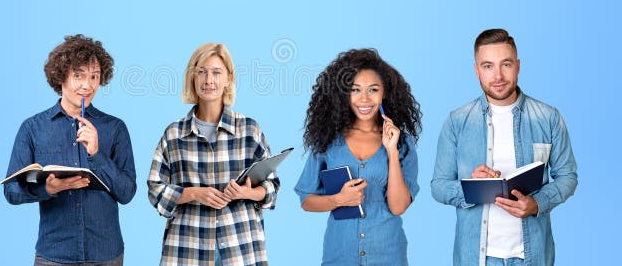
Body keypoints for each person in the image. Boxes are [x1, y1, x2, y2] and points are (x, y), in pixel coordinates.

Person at [431, 28, 578, 266]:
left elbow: (568, 176)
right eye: (488, 66)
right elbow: (438, 187)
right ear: (477, 70)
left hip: (532, 256)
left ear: (518, 66)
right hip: (477, 258)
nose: (498, 76)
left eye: (506, 64)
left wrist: (537, 203)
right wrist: (471, 187)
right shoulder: (456, 122)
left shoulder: (548, 118)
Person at [4, 34, 136, 266]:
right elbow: (11, 191)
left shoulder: (115, 128)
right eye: (79, 75)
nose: (88, 85)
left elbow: (127, 193)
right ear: (61, 76)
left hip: (106, 254)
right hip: (53, 255)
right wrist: (47, 189)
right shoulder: (33, 128)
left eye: (94, 76)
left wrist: (97, 154)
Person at [148, 43, 280, 266]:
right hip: (187, 250)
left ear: (228, 79)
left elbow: (272, 187)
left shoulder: (249, 130)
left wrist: (248, 193)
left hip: (240, 248)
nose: (209, 80)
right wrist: (193, 193)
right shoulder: (174, 134)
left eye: (217, 72)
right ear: (193, 78)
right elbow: (155, 190)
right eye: (202, 72)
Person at [294, 48, 421, 266]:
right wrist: (338, 200)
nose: (364, 99)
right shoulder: (327, 141)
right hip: (339, 255)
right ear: (344, 93)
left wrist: (391, 151)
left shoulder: (401, 142)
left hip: (388, 255)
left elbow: (398, 207)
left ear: (384, 93)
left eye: (373, 90)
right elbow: (306, 200)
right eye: (355, 90)